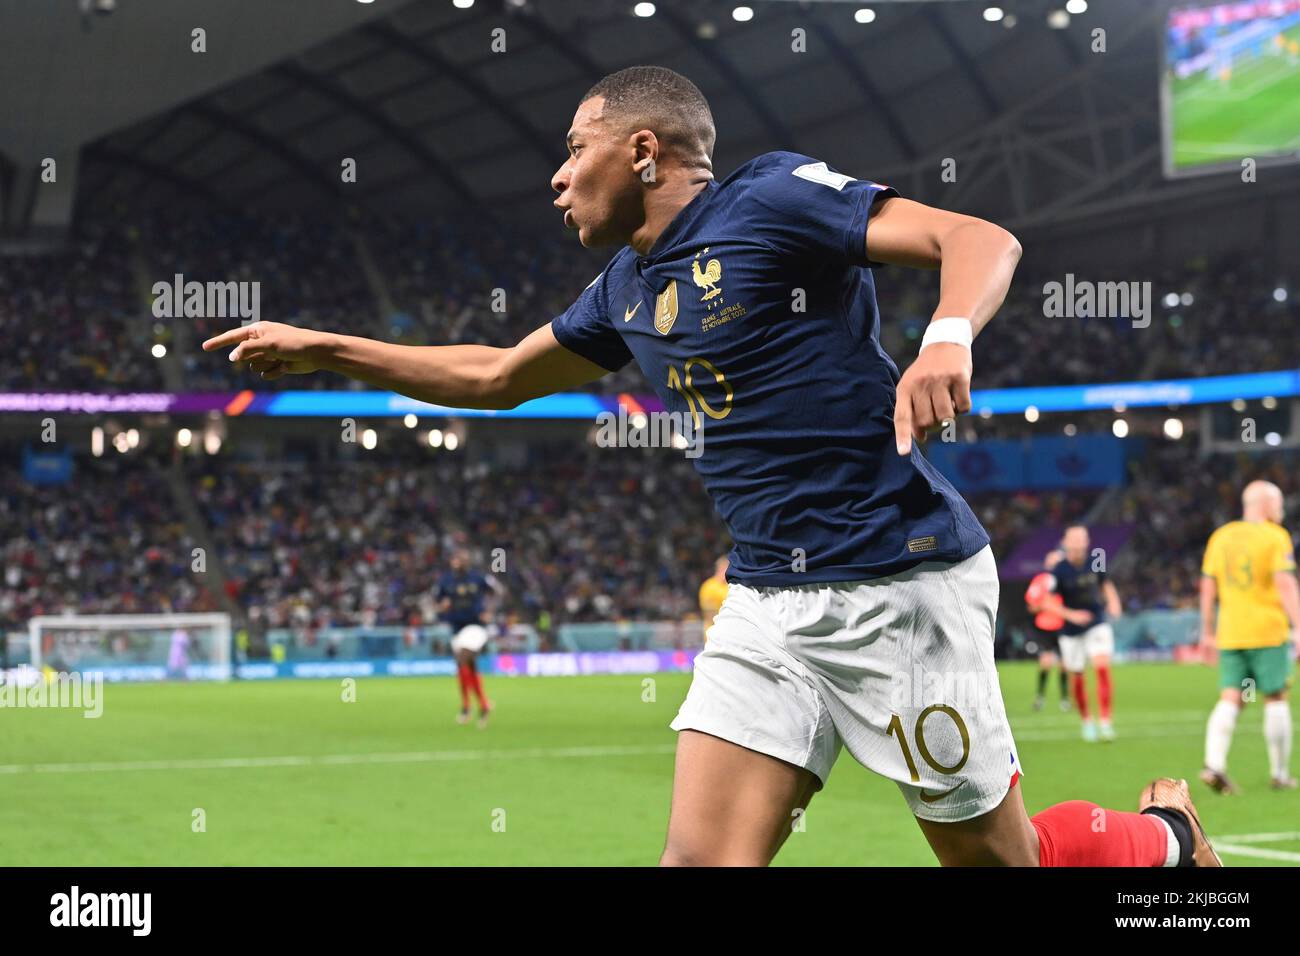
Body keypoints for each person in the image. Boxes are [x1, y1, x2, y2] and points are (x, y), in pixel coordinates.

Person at [204, 65, 1218, 867]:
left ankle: (1164, 844)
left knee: (1002, 863)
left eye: (575, 148)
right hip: (766, 601)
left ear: (643, 150)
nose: (556, 175)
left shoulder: (770, 199)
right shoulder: (621, 287)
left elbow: (975, 234)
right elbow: (497, 375)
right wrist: (330, 348)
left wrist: (947, 335)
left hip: (894, 580)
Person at [1199, 480, 1298, 792]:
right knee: (1275, 696)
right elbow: (1285, 584)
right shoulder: (1275, 536)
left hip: (1231, 633)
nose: (1281, 508)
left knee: (1233, 696)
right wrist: (1298, 626)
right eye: (1278, 502)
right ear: (1265, 504)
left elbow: (1207, 587)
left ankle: (1214, 764)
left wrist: (1206, 631)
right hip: (1268, 632)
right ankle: (1280, 774)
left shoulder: (1221, 536)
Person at [1044, 527, 1122, 742]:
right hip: (1071, 630)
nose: (1079, 543)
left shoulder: (1097, 559)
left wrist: (1114, 602)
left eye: (1082, 539)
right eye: (1074, 539)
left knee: (1102, 668)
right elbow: (1047, 601)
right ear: (1065, 542)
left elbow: (1105, 584)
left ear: (1087, 541)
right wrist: (1071, 615)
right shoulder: (1058, 570)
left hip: (1096, 622)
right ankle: (1087, 721)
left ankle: (1105, 722)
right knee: (1077, 676)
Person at [438, 552, 495, 728]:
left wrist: (489, 611)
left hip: (476, 626)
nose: (456, 562)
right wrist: (442, 606)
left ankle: (466, 706)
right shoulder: (446, 581)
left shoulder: (478, 578)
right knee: (468, 667)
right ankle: (484, 705)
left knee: (461, 659)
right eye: (454, 559)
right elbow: (439, 601)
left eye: (459, 559)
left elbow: (493, 593)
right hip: (458, 629)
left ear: (466, 561)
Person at [1024, 561, 1069, 712]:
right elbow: (1031, 606)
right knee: (1046, 662)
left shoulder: (1066, 579)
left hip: (1063, 627)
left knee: (1064, 665)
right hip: (1044, 628)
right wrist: (1042, 605)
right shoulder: (1040, 580)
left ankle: (1065, 699)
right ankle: (1040, 697)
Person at [697, 555, 729, 643]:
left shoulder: (730, 587)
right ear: (721, 568)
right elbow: (708, 612)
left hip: (729, 633)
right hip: (713, 632)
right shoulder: (708, 586)